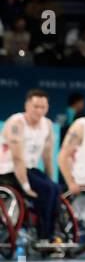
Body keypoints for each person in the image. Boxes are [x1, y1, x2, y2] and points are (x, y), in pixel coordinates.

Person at [0, 89, 57, 242]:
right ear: (27, 106)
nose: (39, 111)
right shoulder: (16, 123)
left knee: (55, 189)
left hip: (30, 169)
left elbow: (47, 157)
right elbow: (17, 158)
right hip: (8, 170)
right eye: (35, 106)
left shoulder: (48, 125)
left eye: (43, 107)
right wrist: (26, 187)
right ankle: (43, 236)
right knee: (45, 190)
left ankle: (52, 234)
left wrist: (51, 181)